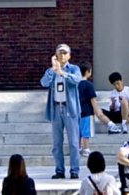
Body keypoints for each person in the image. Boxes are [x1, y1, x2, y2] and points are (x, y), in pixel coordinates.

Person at [41, 43, 83, 179]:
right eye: (60, 53)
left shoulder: (73, 69)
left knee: (73, 142)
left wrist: (62, 73)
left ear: (69, 55)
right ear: (56, 55)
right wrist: (54, 70)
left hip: (70, 108)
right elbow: (44, 83)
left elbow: (77, 80)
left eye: (65, 53)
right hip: (56, 108)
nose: (62, 55)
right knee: (57, 143)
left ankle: (74, 170)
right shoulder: (51, 70)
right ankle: (59, 170)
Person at [78, 62, 113, 157]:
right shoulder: (89, 85)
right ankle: (86, 148)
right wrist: (97, 110)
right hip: (87, 112)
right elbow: (92, 99)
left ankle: (78, 148)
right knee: (86, 132)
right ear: (88, 72)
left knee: (78, 131)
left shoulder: (75, 85)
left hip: (76, 112)